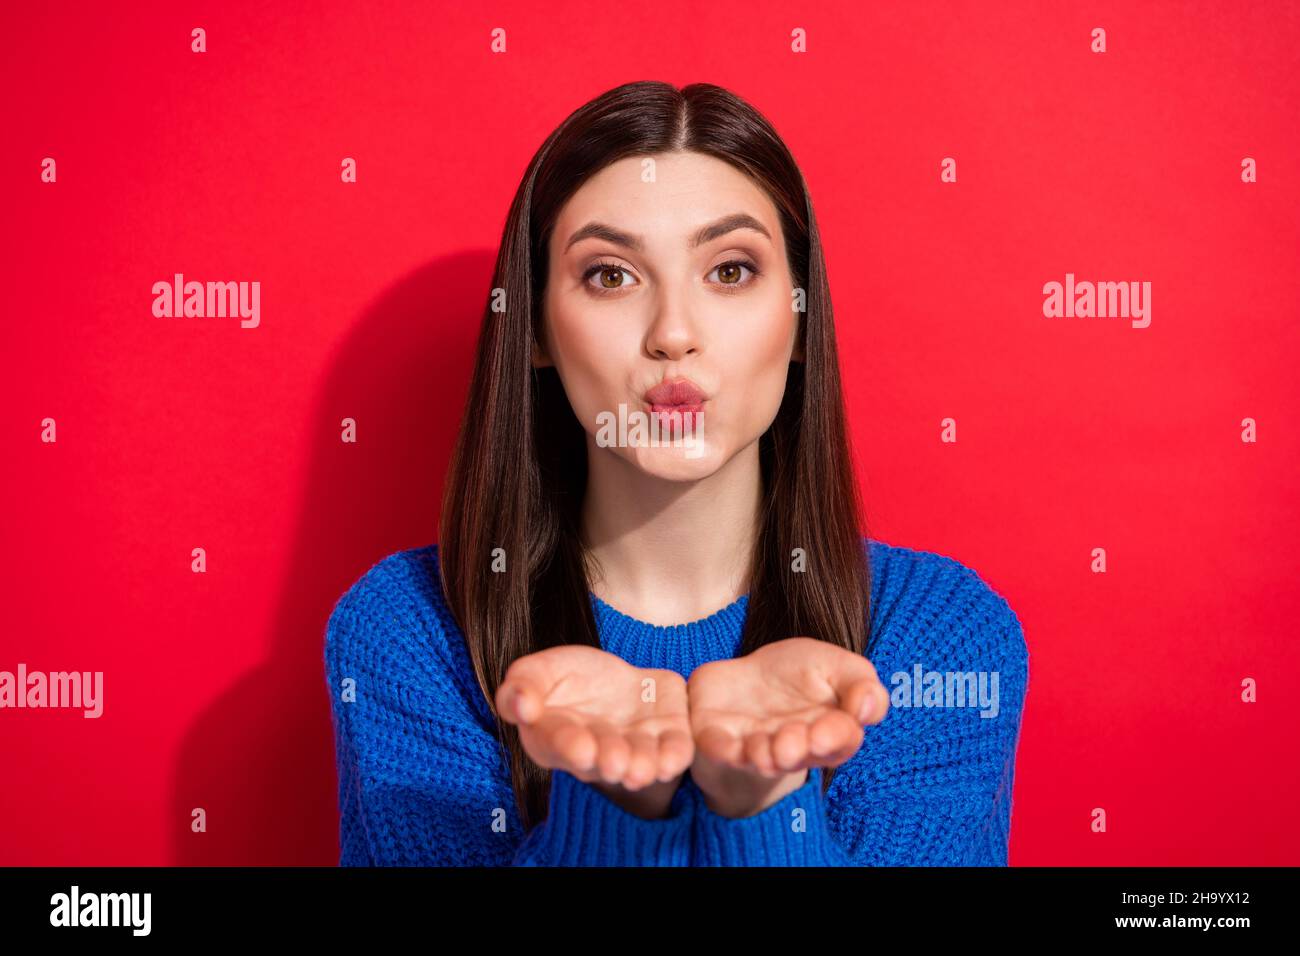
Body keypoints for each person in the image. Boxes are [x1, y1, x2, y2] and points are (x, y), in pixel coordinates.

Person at [323, 80, 1029, 866]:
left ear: (800, 319)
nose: (673, 333)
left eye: (729, 270)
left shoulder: (941, 637)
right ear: (536, 331)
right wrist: (611, 801)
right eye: (610, 275)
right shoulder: (411, 632)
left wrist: (760, 800)